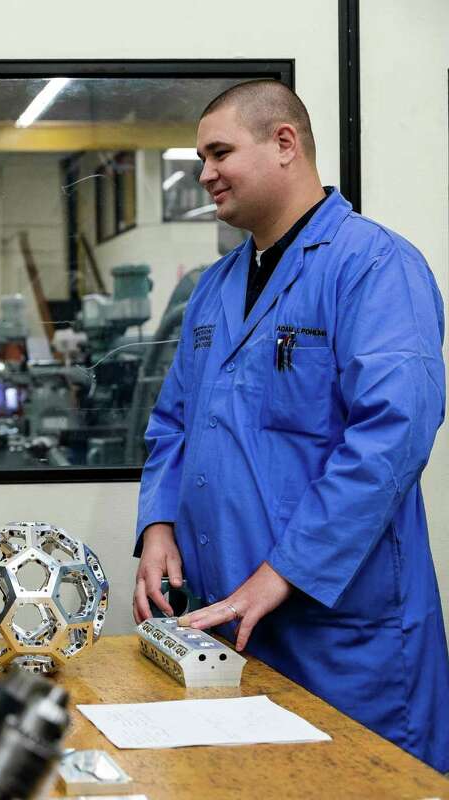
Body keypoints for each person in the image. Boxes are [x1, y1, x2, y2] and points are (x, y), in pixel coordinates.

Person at [133, 79, 448, 770]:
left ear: (284, 144)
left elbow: (391, 439)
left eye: (219, 153)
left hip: (338, 633)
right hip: (230, 623)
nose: (205, 174)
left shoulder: (374, 265)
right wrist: (158, 525)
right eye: (200, 158)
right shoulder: (214, 289)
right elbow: (173, 421)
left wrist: (282, 573)